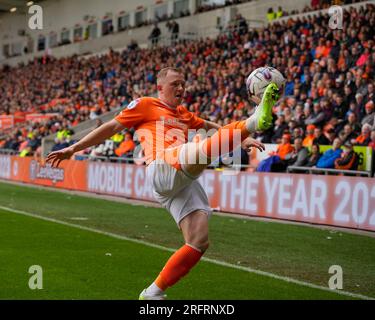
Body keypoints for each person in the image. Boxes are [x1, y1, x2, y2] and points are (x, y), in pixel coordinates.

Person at [46, 67, 280, 300]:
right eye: (174, 83)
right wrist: (74, 148)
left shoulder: (183, 114)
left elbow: (209, 125)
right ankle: (253, 120)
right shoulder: (145, 104)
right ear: (160, 87)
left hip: (180, 181)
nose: (180, 87)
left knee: (198, 240)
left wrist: (243, 139)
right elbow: (111, 127)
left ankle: (152, 293)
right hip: (161, 166)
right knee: (199, 149)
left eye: (183, 83)